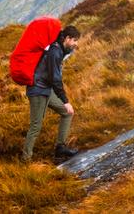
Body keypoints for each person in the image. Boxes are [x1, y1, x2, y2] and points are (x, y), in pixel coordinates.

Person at [21, 25, 81, 162]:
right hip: (37, 90)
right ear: (67, 38)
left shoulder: (60, 49)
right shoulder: (55, 52)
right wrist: (66, 101)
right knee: (36, 125)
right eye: (75, 40)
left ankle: (60, 148)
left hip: (45, 89)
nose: (76, 44)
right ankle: (25, 160)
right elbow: (55, 79)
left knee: (67, 113)